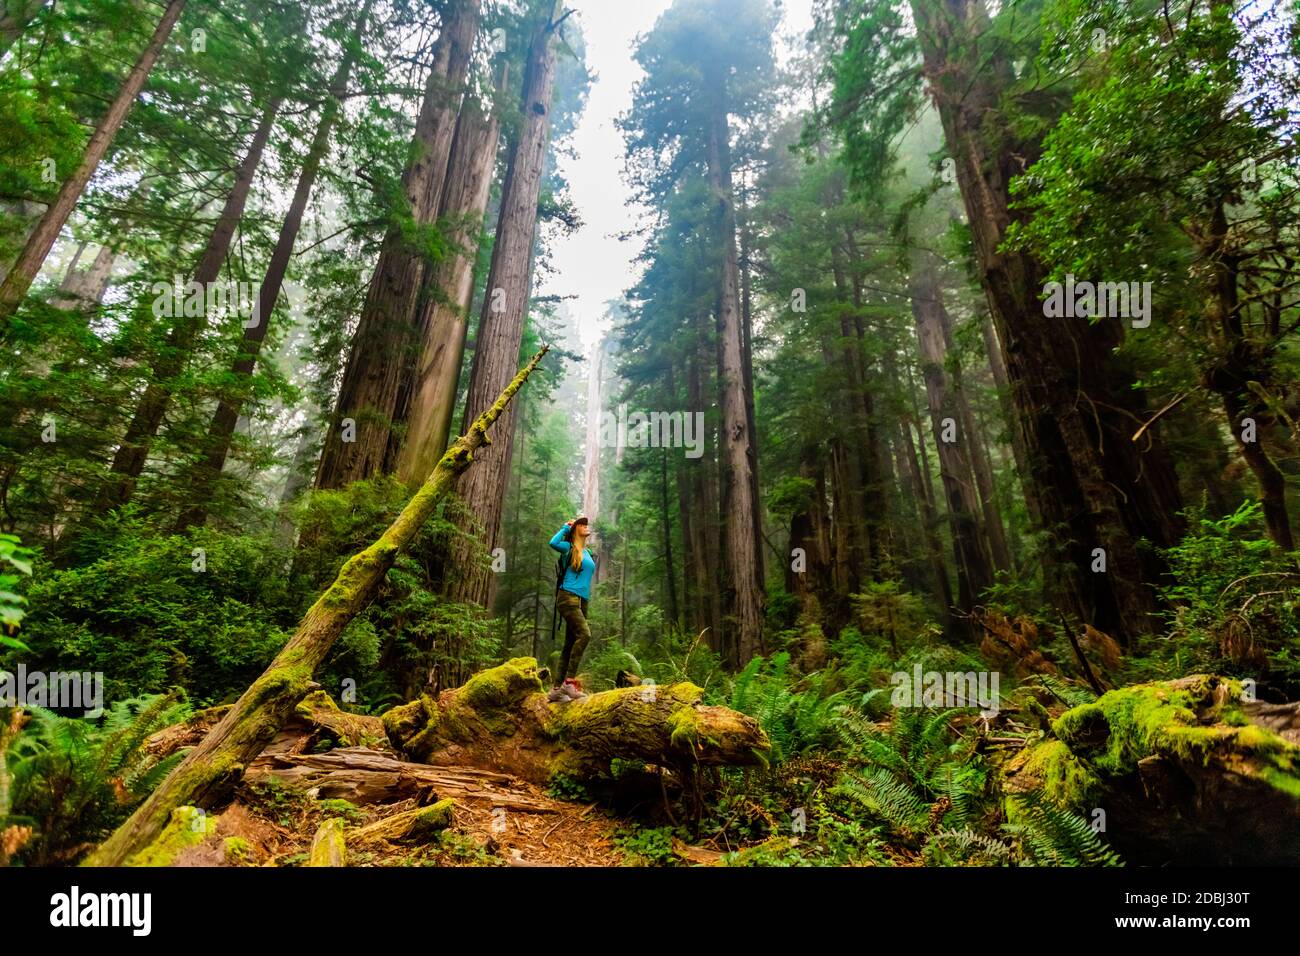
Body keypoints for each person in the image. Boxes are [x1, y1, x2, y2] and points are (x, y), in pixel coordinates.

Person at [548, 516, 595, 701]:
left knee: (569, 643)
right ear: (576, 530)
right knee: (585, 635)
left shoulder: (588, 552)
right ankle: (569, 683)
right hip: (567, 596)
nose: (585, 526)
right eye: (581, 525)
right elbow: (553, 542)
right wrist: (565, 528)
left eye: (586, 524)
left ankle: (557, 689)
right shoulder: (568, 548)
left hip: (583, 601)